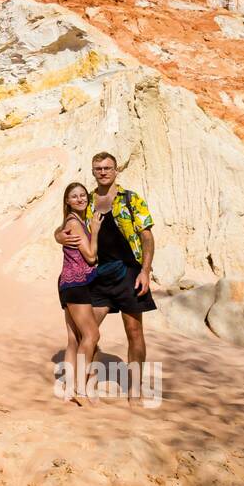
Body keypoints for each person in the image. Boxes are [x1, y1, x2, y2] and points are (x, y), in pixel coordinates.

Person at [57, 151, 156, 403]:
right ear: (93, 171)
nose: (103, 172)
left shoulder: (131, 199)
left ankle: (135, 388)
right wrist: (57, 235)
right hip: (98, 276)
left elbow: (147, 236)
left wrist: (145, 270)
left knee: (134, 331)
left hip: (130, 272)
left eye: (107, 167)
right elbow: (67, 223)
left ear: (115, 170)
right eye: (98, 168)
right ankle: (83, 386)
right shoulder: (87, 201)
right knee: (87, 332)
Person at [55, 182, 102, 405]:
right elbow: (91, 257)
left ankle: (68, 389)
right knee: (92, 336)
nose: (80, 199)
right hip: (76, 284)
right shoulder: (75, 223)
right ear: (67, 201)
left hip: (68, 283)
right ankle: (80, 389)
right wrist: (96, 231)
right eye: (74, 196)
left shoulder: (74, 221)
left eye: (83, 195)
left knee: (74, 339)